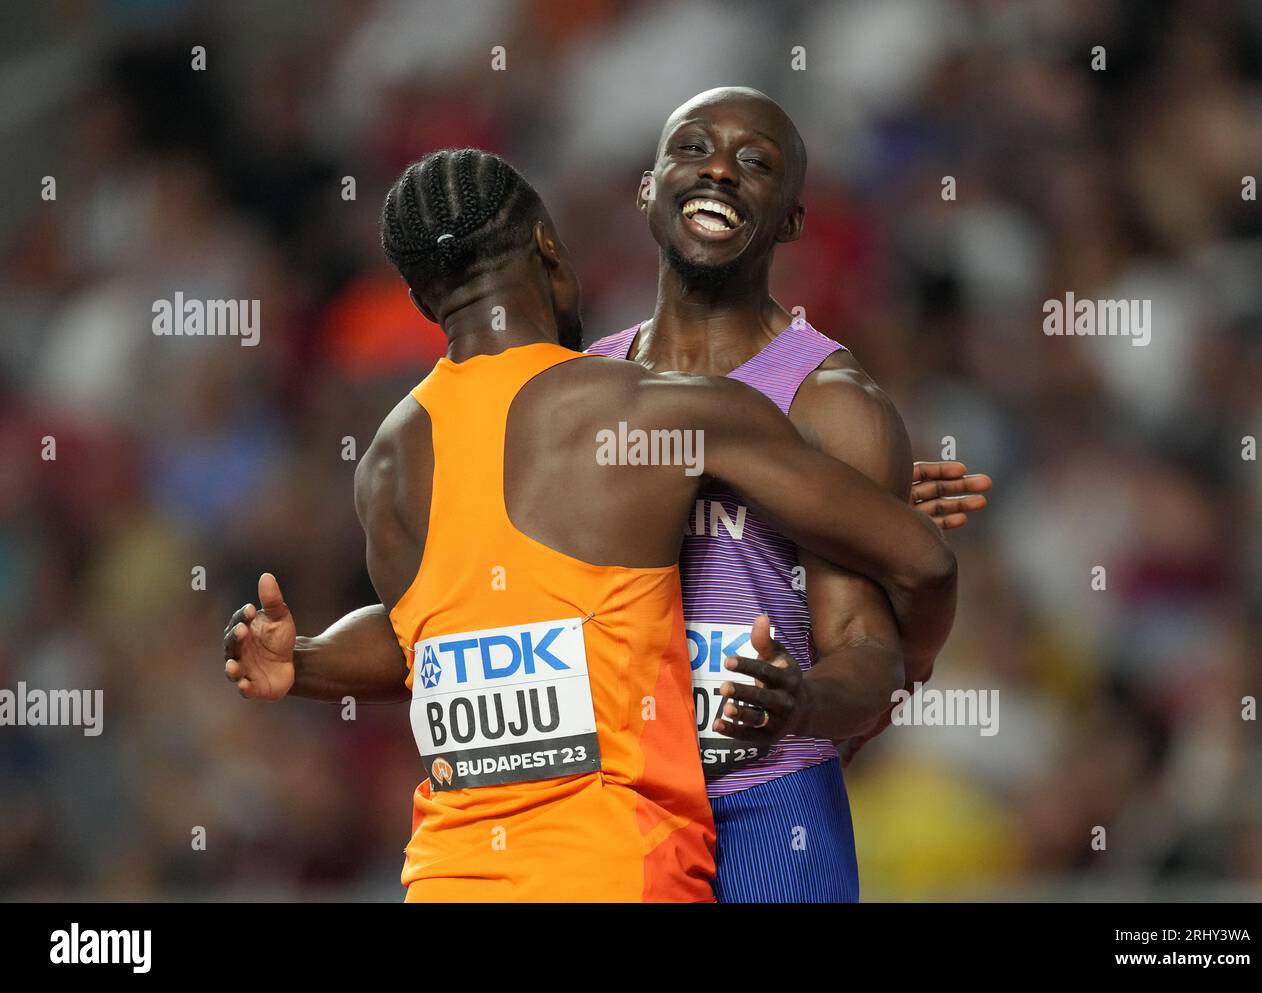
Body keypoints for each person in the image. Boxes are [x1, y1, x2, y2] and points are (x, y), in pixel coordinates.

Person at [226, 89, 990, 901]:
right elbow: (461, 627)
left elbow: (886, 628)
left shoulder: (831, 405)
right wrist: (310, 660)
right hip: (625, 818)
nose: (720, 170)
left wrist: (826, 704)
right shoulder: (584, 389)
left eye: (755, 161)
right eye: (692, 148)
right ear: (646, 189)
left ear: (793, 218)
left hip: (763, 801)